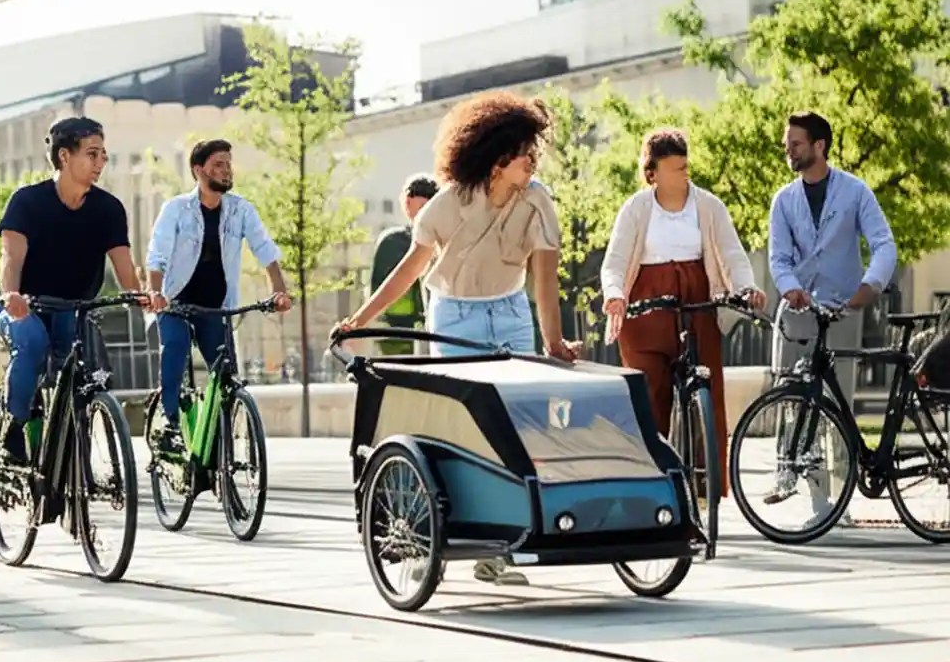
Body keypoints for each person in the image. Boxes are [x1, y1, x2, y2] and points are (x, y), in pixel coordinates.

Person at [335, 90, 580, 585]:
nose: (532, 161)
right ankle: (439, 534)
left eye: (533, 152)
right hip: (454, 315)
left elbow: (545, 280)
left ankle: (499, 548)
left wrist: (553, 342)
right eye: (524, 153)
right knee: (462, 425)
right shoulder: (450, 202)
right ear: (497, 159)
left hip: (511, 312)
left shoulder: (538, 199)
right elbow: (410, 270)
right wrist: (359, 319)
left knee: (515, 426)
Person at [600, 128, 766, 497]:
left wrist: (745, 287)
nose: (684, 173)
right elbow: (615, 262)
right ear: (653, 173)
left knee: (708, 388)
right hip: (646, 309)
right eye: (675, 168)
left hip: (696, 304)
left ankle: (706, 488)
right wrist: (614, 294)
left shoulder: (709, 206)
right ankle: (651, 485)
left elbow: (732, 254)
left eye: (685, 166)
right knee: (649, 395)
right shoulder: (636, 208)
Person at [766, 111, 896, 516]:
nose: (788, 150)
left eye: (796, 144)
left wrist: (868, 288)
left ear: (819, 146)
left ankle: (838, 501)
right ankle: (793, 478)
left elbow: (883, 244)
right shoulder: (783, 200)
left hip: (842, 310)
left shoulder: (855, 192)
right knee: (793, 396)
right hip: (799, 312)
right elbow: (778, 257)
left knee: (838, 406)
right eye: (787, 144)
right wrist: (790, 287)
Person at [0, 116, 146, 464]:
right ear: (64, 156)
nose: (101, 162)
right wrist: (12, 295)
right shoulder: (27, 202)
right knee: (34, 343)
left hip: (73, 308)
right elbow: (11, 260)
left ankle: (71, 455)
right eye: (92, 154)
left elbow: (124, 266)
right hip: (23, 306)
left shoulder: (108, 209)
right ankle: (13, 427)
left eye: (103, 154)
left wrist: (141, 297)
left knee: (80, 368)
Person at [145, 139, 292, 445]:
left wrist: (279, 290)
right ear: (199, 171)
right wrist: (156, 293)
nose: (226, 171)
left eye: (228, 164)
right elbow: (157, 255)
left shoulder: (240, 210)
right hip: (175, 303)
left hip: (216, 306)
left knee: (225, 374)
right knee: (175, 347)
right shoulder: (176, 209)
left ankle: (222, 443)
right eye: (218, 165)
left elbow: (264, 249)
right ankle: (170, 422)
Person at [369, 173, 439, 355]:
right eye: (422, 207)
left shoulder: (392, 241)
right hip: (399, 330)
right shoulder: (392, 242)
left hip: (421, 327)